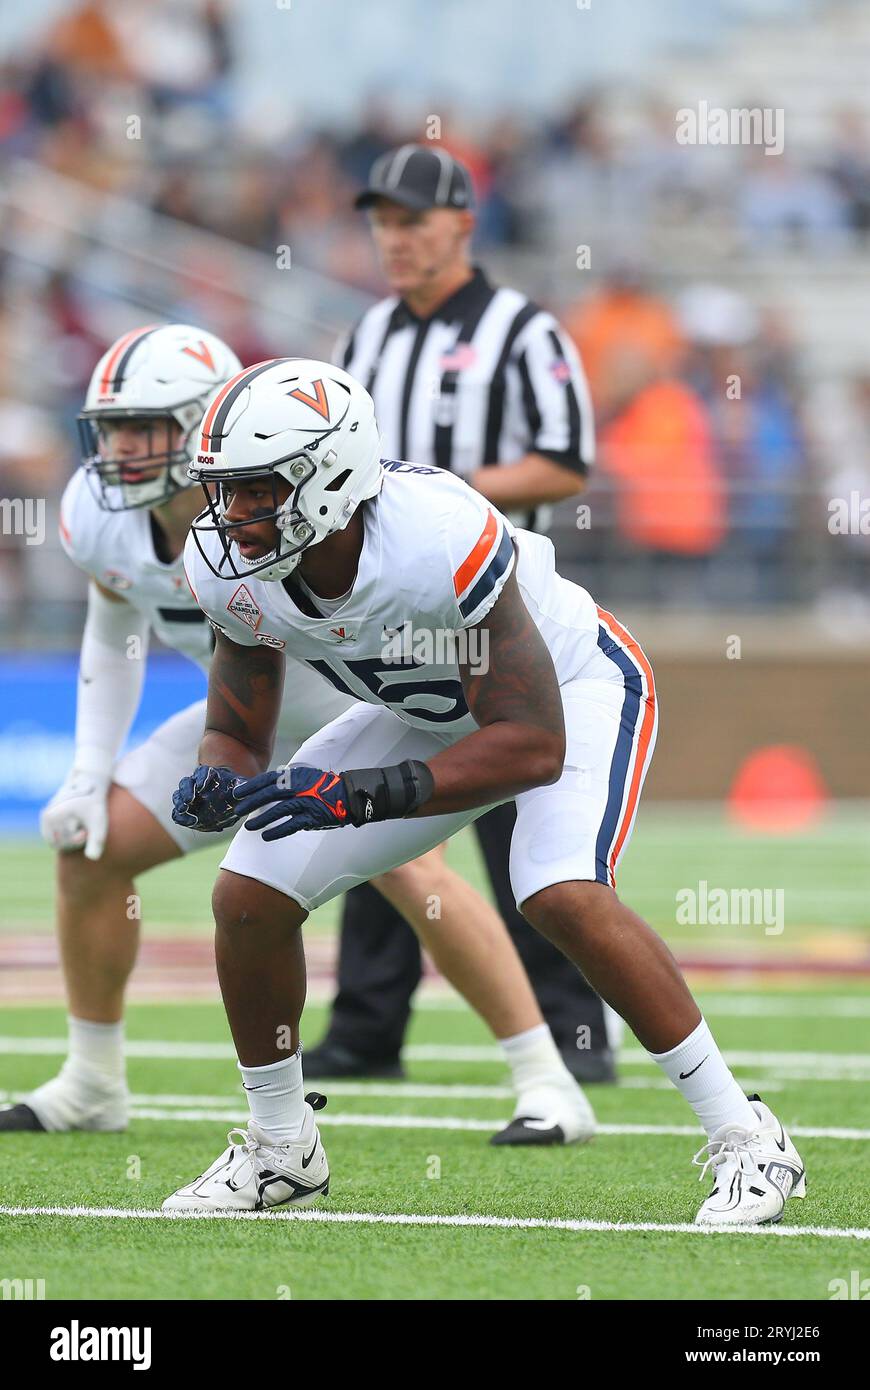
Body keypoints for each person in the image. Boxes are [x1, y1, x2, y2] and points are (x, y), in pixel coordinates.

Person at [165, 357, 806, 1227]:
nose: (231, 514)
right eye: (224, 489)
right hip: (427, 710)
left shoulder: (434, 535)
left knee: (559, 891)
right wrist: (220, 776)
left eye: (256, 488)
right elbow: (240, 728)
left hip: (570, 689)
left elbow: (532, 745)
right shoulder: (232, 566)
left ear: (329, 478)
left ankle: (748, 1135)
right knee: (248, 895)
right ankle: (282, 1150)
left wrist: (362, 793)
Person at [0, 324, 593, 1148]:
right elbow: (114, 634)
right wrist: (86, 772)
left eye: (145, 427)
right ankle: (93, 1080)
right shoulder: (102, 517)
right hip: (242, 724)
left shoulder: (294, 506)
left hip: (340, 707)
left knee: (412, 875)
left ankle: (544, 1077)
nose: (123, 449)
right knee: (92, 849)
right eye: (114, 429)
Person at [307, 141, 616, 1085]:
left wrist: (440, 493)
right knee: (382, 796)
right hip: (393, 609)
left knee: (521, 812)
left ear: (463, 225)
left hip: (492, 603)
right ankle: (367, 1029)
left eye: (413, 221)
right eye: (382, 223)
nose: (394, 240)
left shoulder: (524, 331)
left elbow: (564, 462)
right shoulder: (367, 335)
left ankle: (573, 1033)